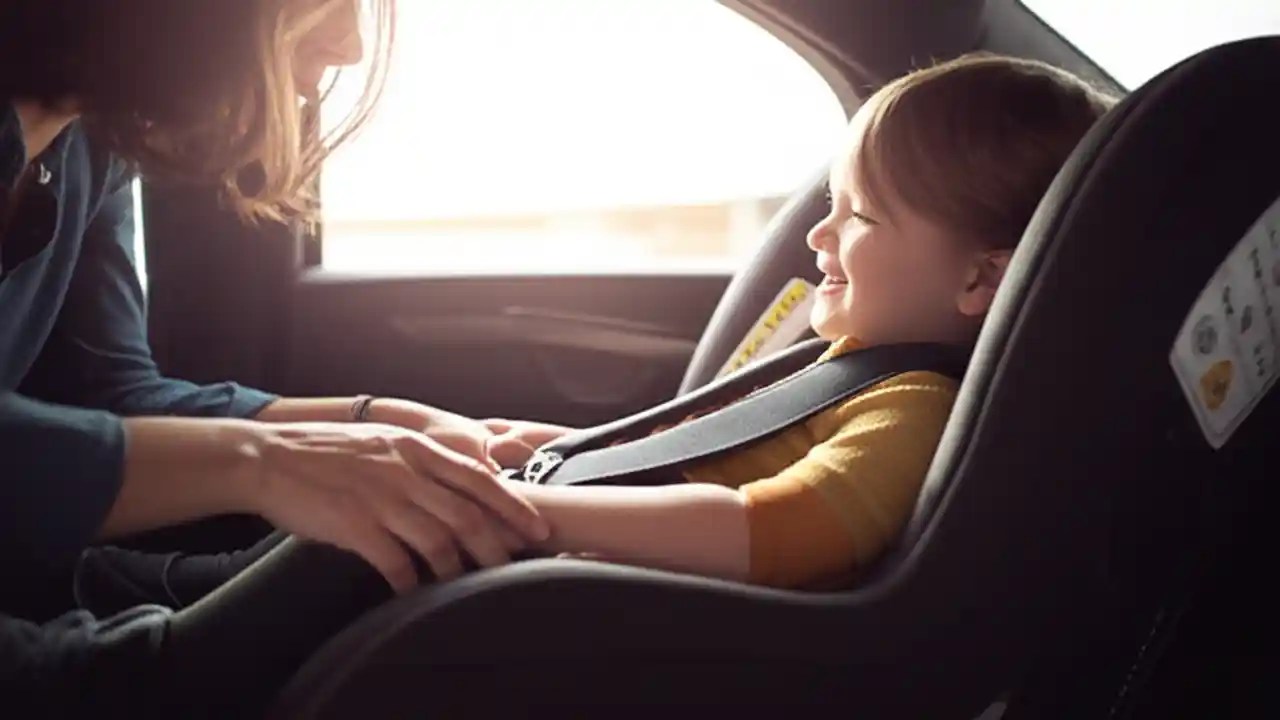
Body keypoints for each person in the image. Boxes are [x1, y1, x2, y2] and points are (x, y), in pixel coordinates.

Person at [81, 52, 1117, 625]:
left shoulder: (910, 406)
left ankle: (137, 622)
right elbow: (698, 458)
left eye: (860, 216)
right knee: (318, 543)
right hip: (548, 554)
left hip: (578, 613)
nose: (816, 234)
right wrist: (558, 458)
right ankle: (135, 597)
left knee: (328, 568)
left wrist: (536, 507)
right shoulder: (838, 369)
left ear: (982, 275)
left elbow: (776, 529)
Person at [1, 1, 557, 716]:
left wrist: (381, 427)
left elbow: (103, 394)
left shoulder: (91, 142)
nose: (351, 44)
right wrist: (263, 463)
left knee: (361, 573)